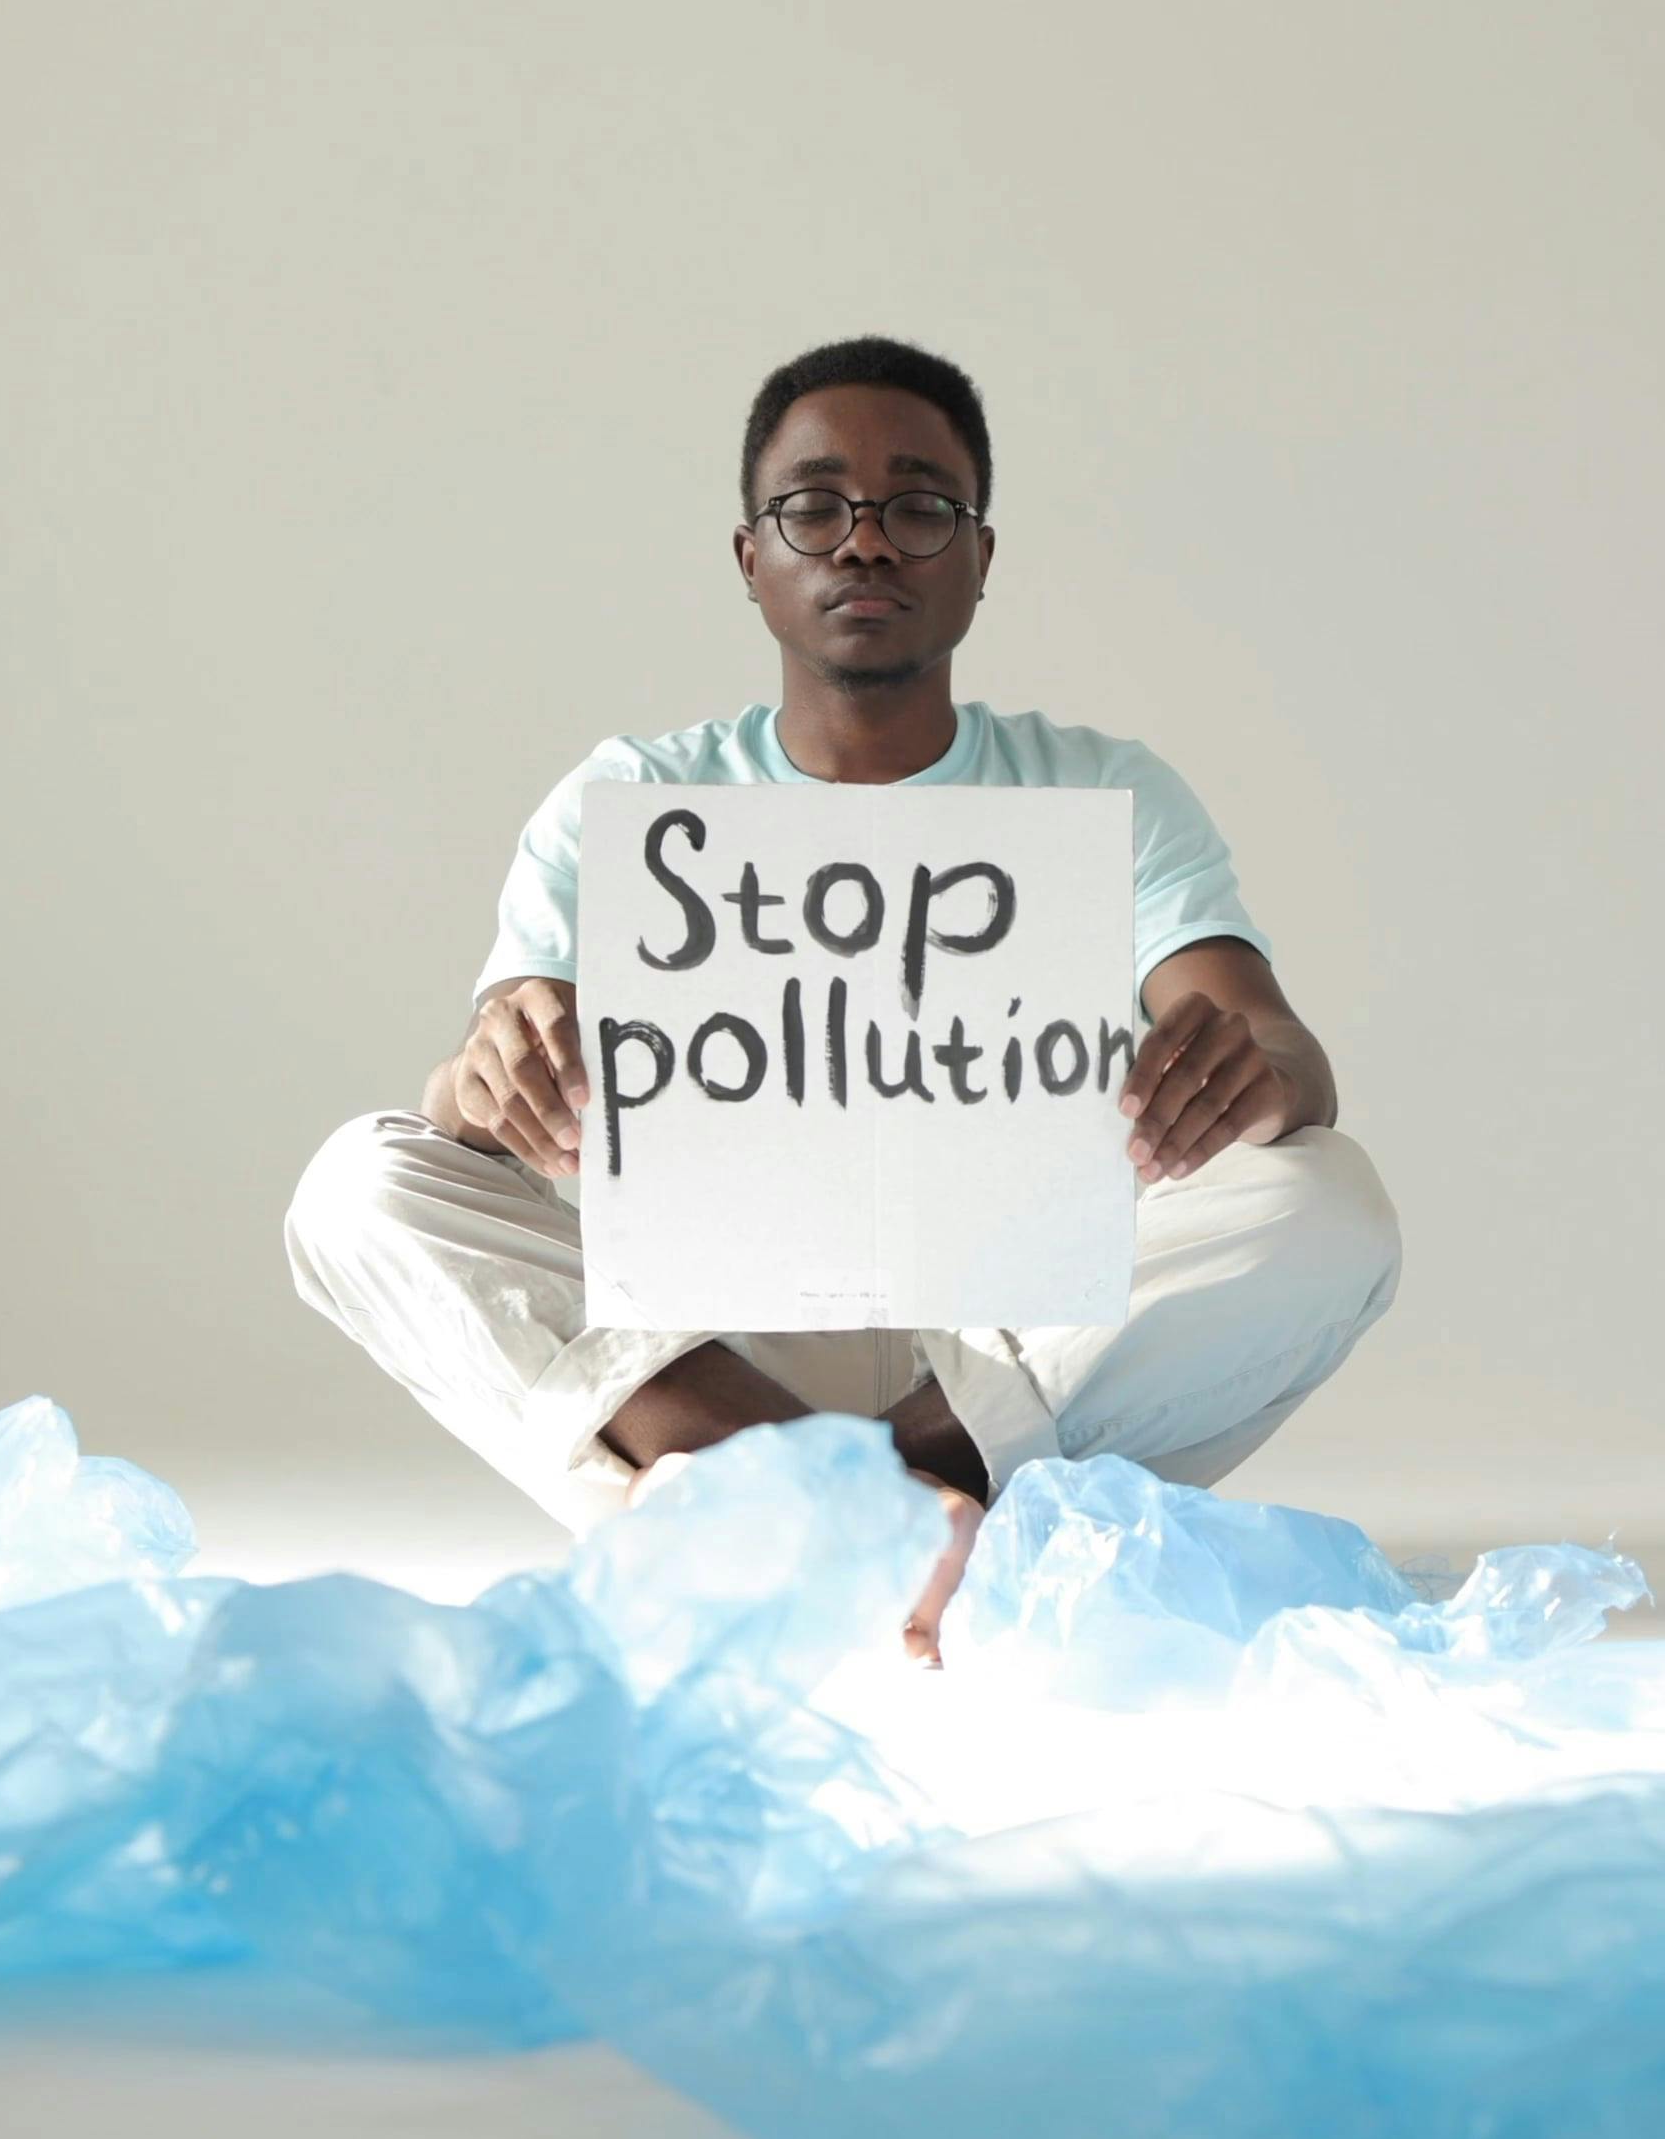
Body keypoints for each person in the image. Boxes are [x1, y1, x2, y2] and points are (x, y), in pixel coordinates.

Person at [283, 336, 1403, 1664]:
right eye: (815, 507)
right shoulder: (628, 798)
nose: (864, 543)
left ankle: (754, 1506)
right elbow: (463, 1105)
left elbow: (1272, 1038)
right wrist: (485, 1076)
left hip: (1007, 1348)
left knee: (1331, 1207)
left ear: (981, 557)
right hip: (706, 1337)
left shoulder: (1103, 788)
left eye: (920, 507)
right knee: (356, 1189)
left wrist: (1257, 1070)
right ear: (753, 558)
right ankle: (884, 1512)